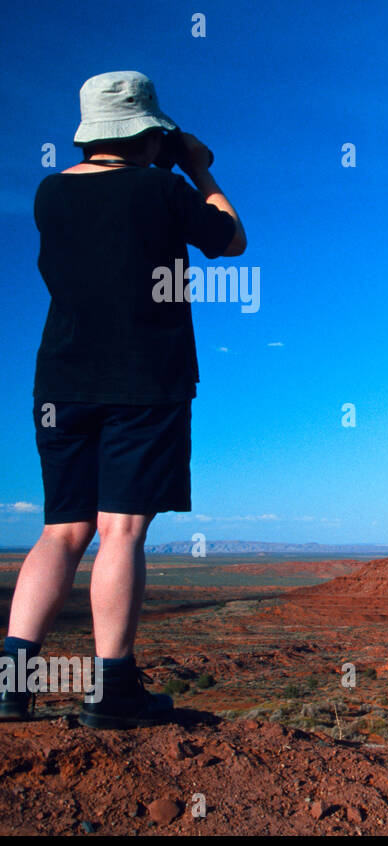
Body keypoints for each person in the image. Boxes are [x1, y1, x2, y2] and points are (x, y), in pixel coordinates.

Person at [0, 71, 246, 728]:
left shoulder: (49, 194)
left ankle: (12, 685)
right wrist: (196, 169)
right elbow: (231, 238)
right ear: (148, 132)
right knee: (122, 528)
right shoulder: (164, 189)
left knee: (61, 530)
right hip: (143, 379)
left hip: (60, 382)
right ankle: (113, 691)